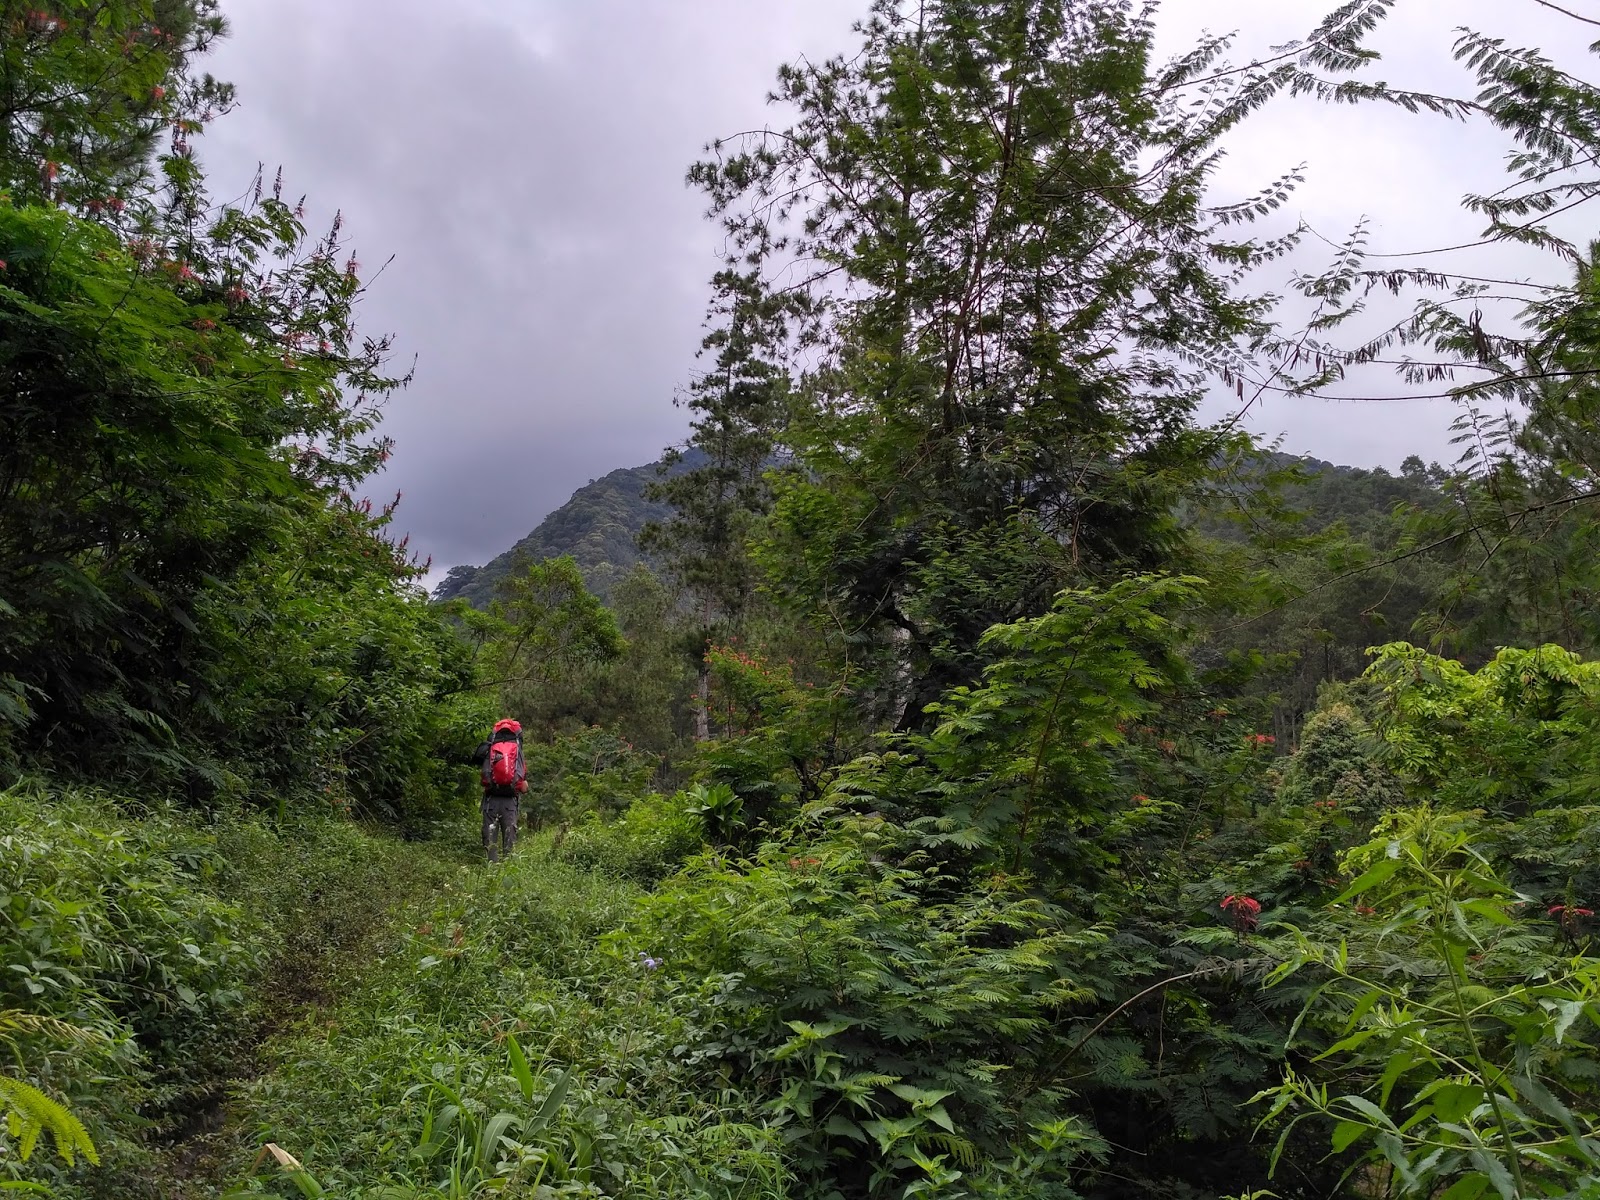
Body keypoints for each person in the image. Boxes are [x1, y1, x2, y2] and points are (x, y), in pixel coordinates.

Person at [479, 718, 527, 862]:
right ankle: (507, 868)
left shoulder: (491, 748)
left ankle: (491, 869)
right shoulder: (517, 751)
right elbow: (522, 785)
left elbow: (484, 778)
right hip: (510, 802)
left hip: (491, 800)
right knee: (509, 839)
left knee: (490, 837)